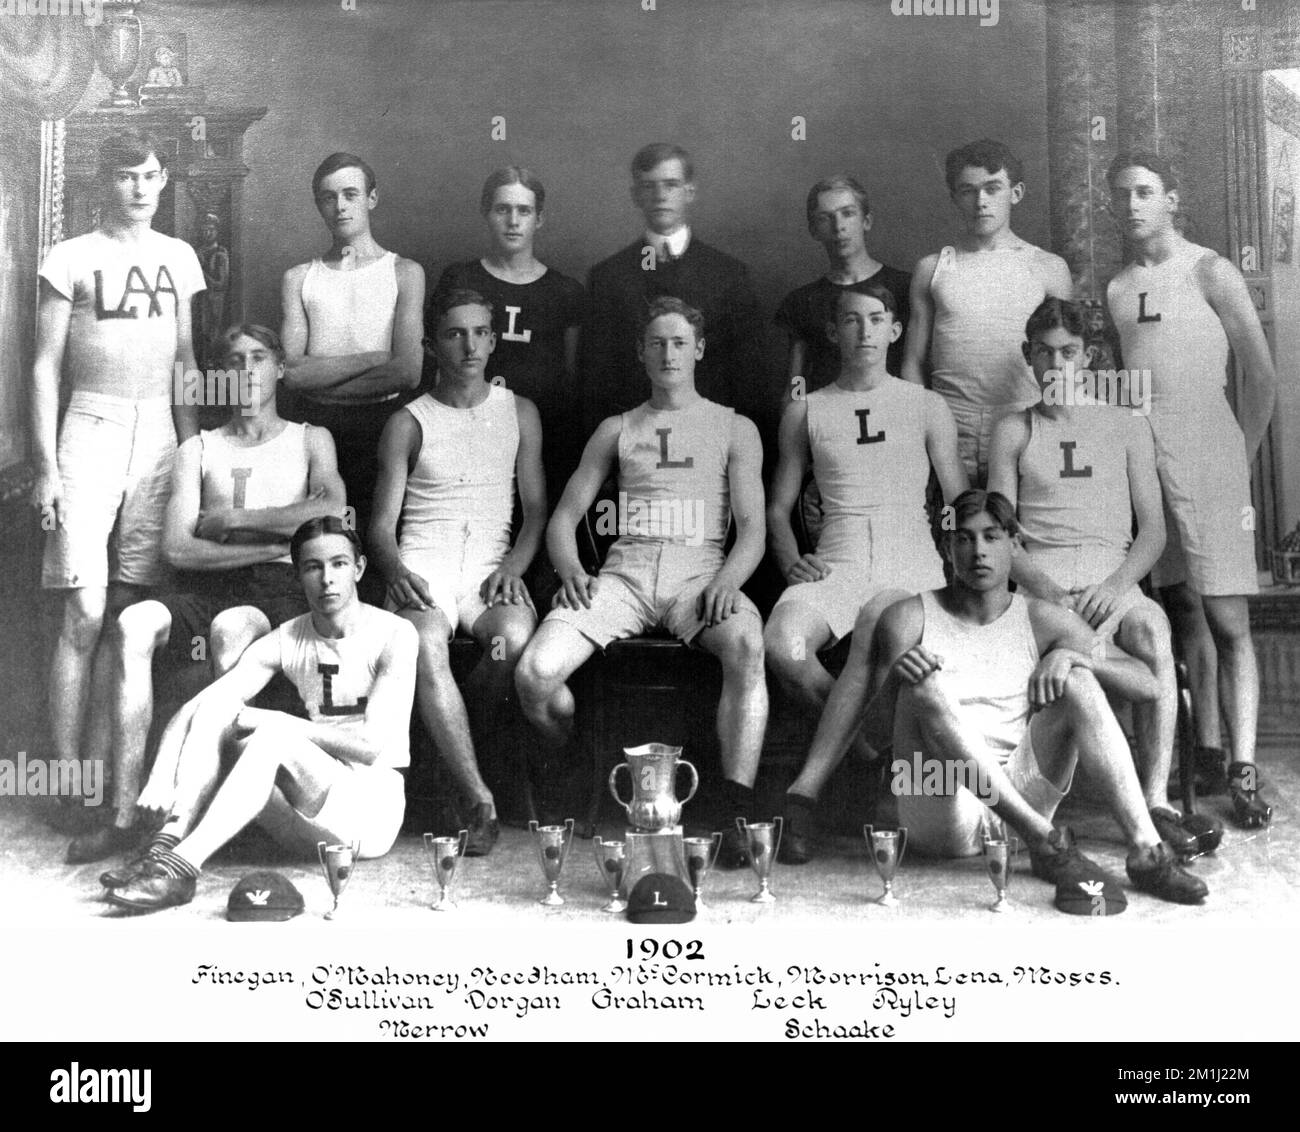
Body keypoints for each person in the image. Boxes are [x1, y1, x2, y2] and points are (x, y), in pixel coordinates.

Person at [64, 324, 345, 866]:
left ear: (280, 367)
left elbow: (328, 513)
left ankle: (201, 814)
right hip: (205, 586)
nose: (246, 370)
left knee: (231, 629)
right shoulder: (198, 448)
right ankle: (125, 815)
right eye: (234, 360)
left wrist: (236, 521)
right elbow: (178, 548)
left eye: (259, 357)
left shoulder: (311, 437)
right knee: (131, 625)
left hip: (274, 593)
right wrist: (270, 543)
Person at [851, 489, 1207, 913]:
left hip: (1020, 800)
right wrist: (895, 682)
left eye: (991, 537)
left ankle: (1147, 852)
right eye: (963, 539)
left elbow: (1150, 685)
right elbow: (871, 740)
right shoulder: (908, 617)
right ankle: (1047, 842)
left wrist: (1073, 656)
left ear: (1014, 545)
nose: (978, 551)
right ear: (946, 549)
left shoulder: (1042, 619)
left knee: (1077, 678)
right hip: (941, 807)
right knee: (923, 684)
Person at [515, 297, 768, 866]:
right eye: (657, 343)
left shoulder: (735, 427)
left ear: (699, 350)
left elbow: (752, 528)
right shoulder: (617, 428)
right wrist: (573, 572)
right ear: (640, 352)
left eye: (679, 342)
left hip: (699, 572)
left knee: (748, 645)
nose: (668, 353)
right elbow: (562, 519)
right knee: (533, 674)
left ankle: (732, 805)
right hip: (623, 575)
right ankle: (577, 764)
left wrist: (728, 580)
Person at [987, 297, 1222, 855]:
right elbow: (1001, 537)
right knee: (1068, 640)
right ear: (1029, 358)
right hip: (1042, 585)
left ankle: (1156, 800)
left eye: (1068, 353)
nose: (1056, 365)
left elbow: (1154, 533)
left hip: (1110, 577)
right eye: (1043, 354)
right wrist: (1048, 591)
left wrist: (1115, 587)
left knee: (1152, 632)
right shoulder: (1013, 430)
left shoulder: (1124, 424)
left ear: (1087, 357)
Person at [102, 517, 418, 913]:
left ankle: (182, 867)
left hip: (370, 811)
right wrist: (162, 773)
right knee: (221, 708)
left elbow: (370, 748)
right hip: (309, 812)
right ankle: (165, 847)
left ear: (359, 569)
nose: (327, 580)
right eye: (313, 567)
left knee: (271, 736)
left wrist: (277, 722)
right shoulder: (290, 636)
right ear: (298, 574)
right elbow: (204, 705)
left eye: (338, 564)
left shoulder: (396, 633)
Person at [31, 129, 206, 806]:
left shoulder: (180, 257)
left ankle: (111, 779)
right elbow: (45, 366)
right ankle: (68, 778)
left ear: (165, 182)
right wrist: (47, 468)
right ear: (105, 182)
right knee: (84, 610)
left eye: (152, 176)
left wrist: (190, 452)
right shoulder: (70, 256)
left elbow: (187, 361)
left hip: (160, 429)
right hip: (91, 428)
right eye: (128, 176)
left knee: (132, 605)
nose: (141, 189)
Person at [764, 285, 967, 863]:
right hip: (839, 556)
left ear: (894, 330)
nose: (865, 331)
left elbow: (955, 498)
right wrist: (789, 559)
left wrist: (957, 571)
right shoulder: (807, 409)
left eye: (877, 319)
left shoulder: (925, 404)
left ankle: (814, 791)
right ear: (834, 332)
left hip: (912, 558)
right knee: (782, 646)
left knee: (887, 634)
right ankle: (872, 756)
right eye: (851, 321)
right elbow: (779, 509)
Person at [1105, 152, 1277, 828]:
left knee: (1229, 618)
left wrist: (1237, 456)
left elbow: (1260, 377)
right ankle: (1202, 746)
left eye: (1145, 192)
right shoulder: (1118, 288)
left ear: (1173, 199)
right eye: (1121, 195)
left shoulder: (1210, 269)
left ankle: (1243, 766)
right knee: (1181, 608)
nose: (1132, 205)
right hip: (1150, 456)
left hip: (1211, 455)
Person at [369, 289, 546, 856]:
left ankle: (451, 753)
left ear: (493, 340)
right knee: (423, 641)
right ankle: (478, 796)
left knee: (511, 641)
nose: (469, 346)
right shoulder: (407, 421)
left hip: (491, 569)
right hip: (425, 564)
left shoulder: (519, 411)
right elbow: (378, 527)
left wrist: (515, 566)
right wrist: (395, 569)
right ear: (430, 345)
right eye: (453, 334)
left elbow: (537, 510)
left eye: (479, 333)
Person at [280, 152, 425, 562]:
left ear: (371, 198)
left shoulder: (404, 272)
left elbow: (407, 372)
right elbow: (292, 374)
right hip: (316, 427)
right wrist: (373, 357)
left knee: (378, 548)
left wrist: (321, 370)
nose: (340, 206)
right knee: (323, 547)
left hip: (384, 427)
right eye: (328, 197)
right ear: (318, 205)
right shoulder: (298, 278)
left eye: (350, 194)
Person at [902, 138, 1072, 484]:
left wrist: (1051, 425)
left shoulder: (1048, 267)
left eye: (993, 189)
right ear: (955, 198)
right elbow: (912, 362)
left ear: (1016, 192)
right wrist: (925, 424)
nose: (981, 202)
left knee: (1018, 530)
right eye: (968, 191)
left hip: (1024, 417)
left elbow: (1066, 360)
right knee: (953, 529)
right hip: (950, 421)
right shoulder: (932, 268)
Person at [581, 143, 766, 437]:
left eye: (671, 185)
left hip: (710, 435)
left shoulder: (729, 275)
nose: (660, 196)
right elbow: (596, 381)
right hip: (636, 437)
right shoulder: (608, 277)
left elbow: (749, 378)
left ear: (689, 192)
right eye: (649, 186)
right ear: (635, 196)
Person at [432, 167, 584, 508]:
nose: (513, 221)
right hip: (469, 433)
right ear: (486, 213)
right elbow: (438, 367)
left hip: (544, 439)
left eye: (524, 211)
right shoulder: (459, 278)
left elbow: (572, 380)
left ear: (539, 218)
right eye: (503, 209)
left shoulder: (565, 291)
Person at [775, 174, 911, 394]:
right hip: (829, 418)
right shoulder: (800, 301)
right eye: (825, 218)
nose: (839, 227)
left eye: (847, 214)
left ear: (866, 221)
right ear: (814, 230)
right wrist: (792, 421)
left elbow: (917, 365)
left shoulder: (905, 287)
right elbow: (795, 381)